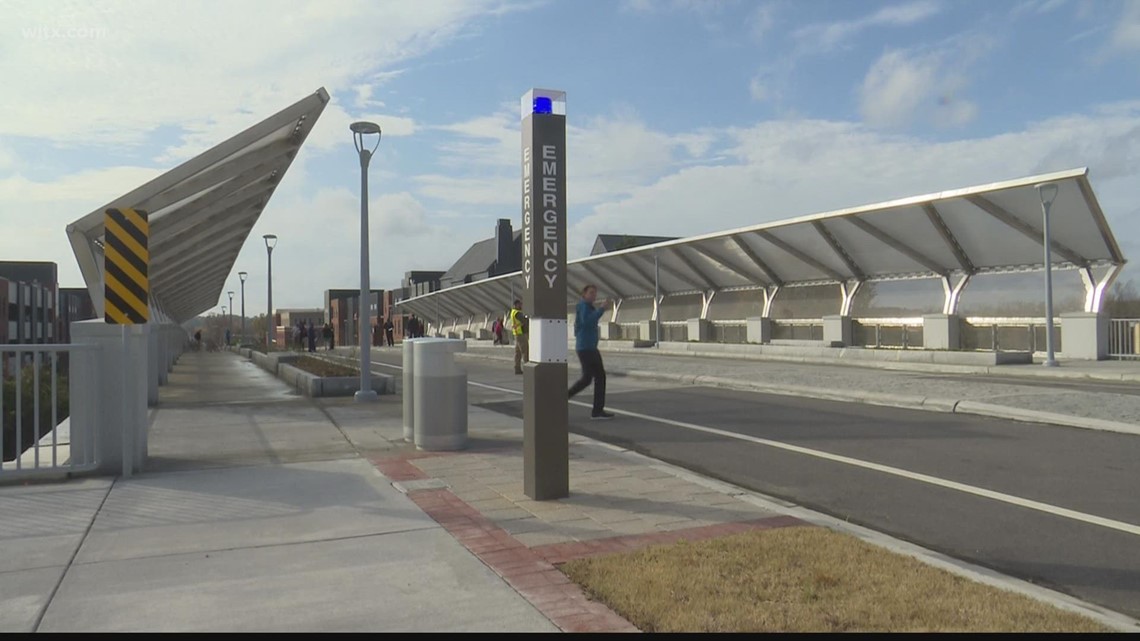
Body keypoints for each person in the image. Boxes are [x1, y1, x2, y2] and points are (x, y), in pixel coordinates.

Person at [568, 284, 614, 419]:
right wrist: (601, 309)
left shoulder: (586, 307)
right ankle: (596, 410)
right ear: (584, 294)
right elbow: (587, 322)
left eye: (595, 293)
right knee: (589, 378)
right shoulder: (583, 306)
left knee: (596, 377)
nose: (594, 296)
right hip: (585, 348)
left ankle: (597, 410)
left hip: (590, 347)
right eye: (591, 293)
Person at [509, 299, 529, 375]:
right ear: (516, 305)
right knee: (525, 352)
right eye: (520, 304)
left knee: (518, 353)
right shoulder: (517, 313)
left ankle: (517, 368)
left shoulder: (513, 312)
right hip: (521, 334)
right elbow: (525, 320)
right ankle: (528, 369)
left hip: (517, 334)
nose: (521, 306)